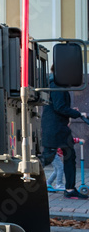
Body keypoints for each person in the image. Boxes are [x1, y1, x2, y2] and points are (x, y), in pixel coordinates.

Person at [42, 70, 89, 199]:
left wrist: (73, 112)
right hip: (55, 129)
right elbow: (60, 107)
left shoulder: (55, 85)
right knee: (48, 157)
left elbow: (59, 107)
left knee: (69, 156)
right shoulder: (56, 86)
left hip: (58, 128)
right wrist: (78, 114)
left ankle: (69, 189)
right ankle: (26, 177)